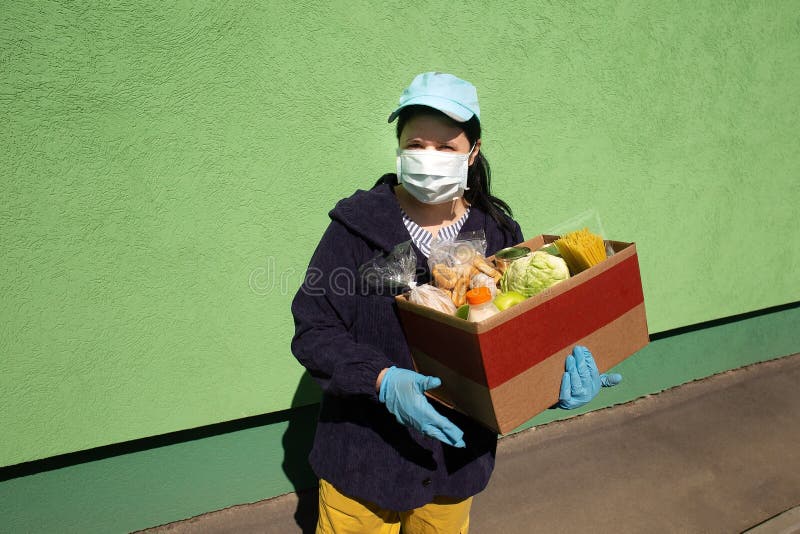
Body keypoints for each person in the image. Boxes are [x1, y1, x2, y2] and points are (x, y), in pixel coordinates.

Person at [290, 72, 622, 533]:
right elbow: (314, 329)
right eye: (417, 144)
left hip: (454, 463)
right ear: (400, 147)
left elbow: (514, 344)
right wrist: (381, 378)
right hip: (363, 462)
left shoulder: (499, 236)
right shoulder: (355, 228)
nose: (430, 157)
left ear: (473, 152)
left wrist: (551, 381)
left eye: (446, 147)